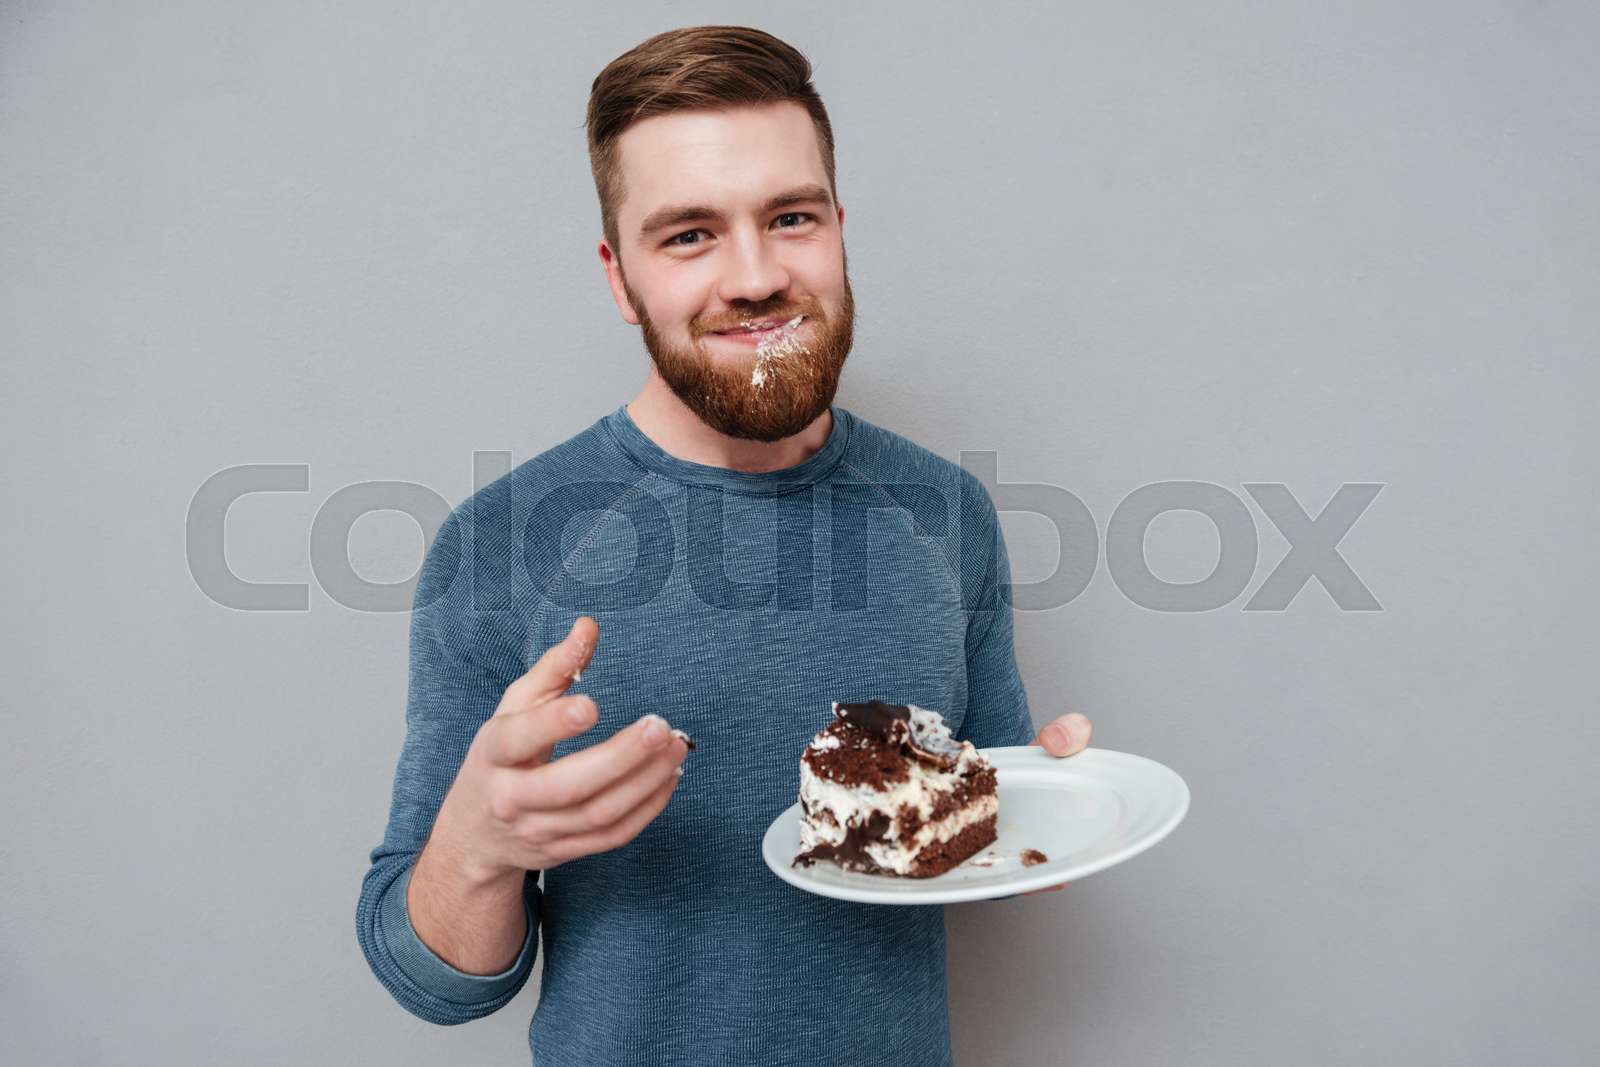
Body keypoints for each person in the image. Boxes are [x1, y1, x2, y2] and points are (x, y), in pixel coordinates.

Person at [355, 25, 1093, 1066]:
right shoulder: (502, 543)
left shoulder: (943, 511)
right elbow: (430, 978)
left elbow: (980, 827)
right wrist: (477, 845)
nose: (754, 276)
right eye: (688, 234)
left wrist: (1043, 813)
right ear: (619, 279)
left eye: (789, 218)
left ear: (839, 228)